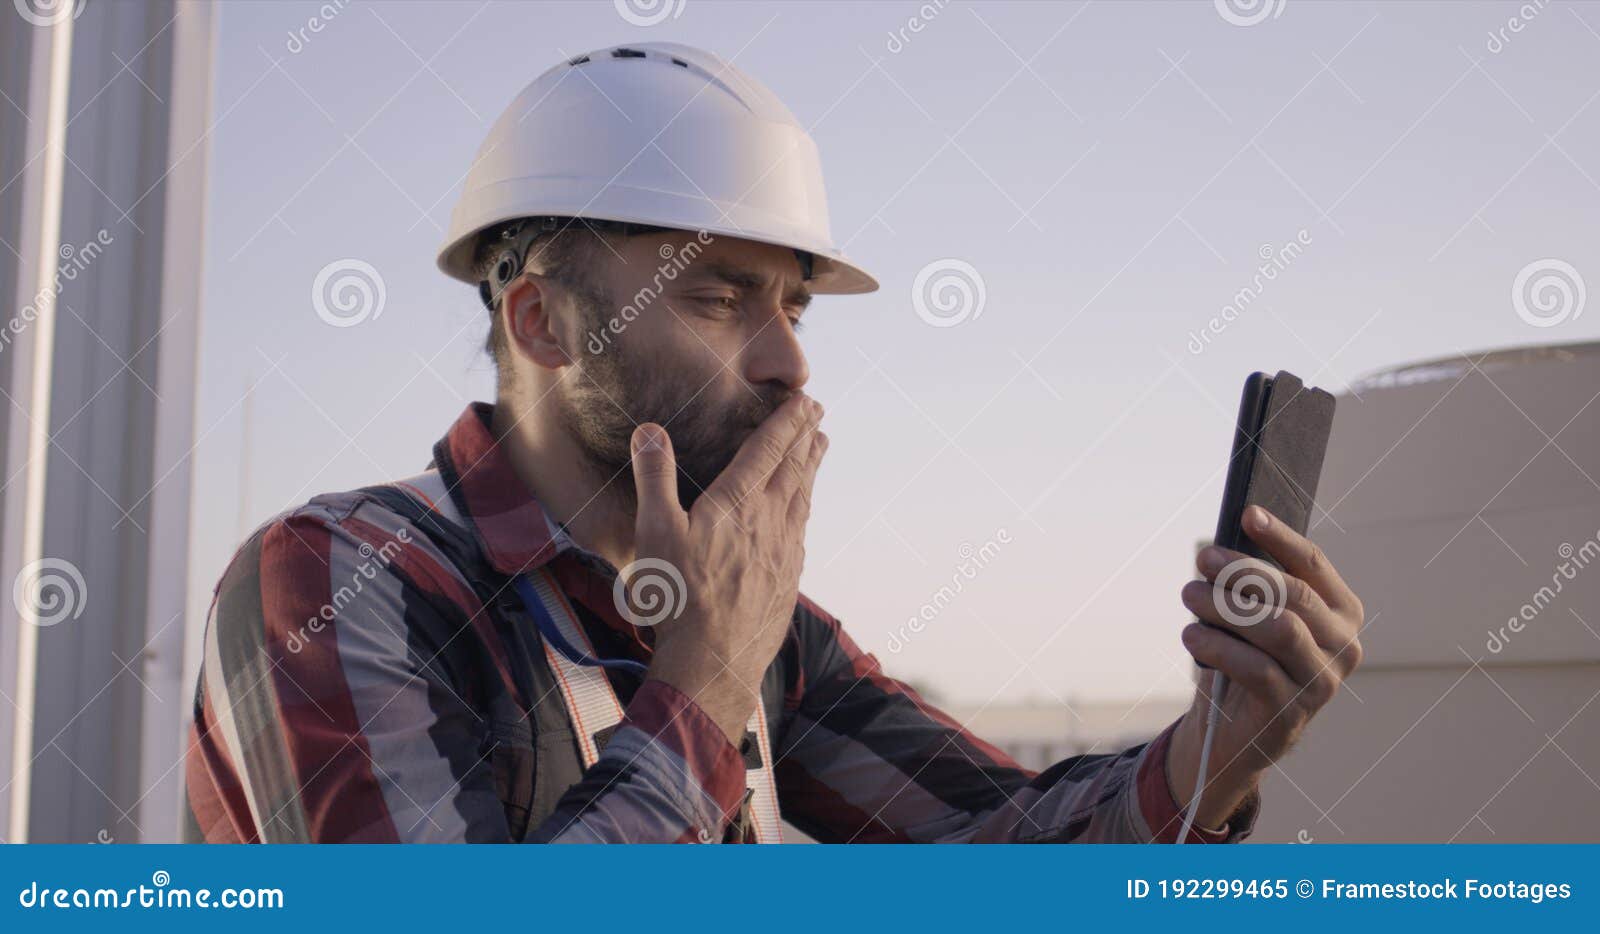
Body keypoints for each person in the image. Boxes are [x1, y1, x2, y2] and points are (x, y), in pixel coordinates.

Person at [183, 42, 1363, 844]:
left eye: (793, 306)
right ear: (540, 323)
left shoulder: (761, 628)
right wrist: (700, 686)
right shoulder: (338, 582)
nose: (789, 360)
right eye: (718, 299)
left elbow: (998, 849)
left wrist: (1222, 747)